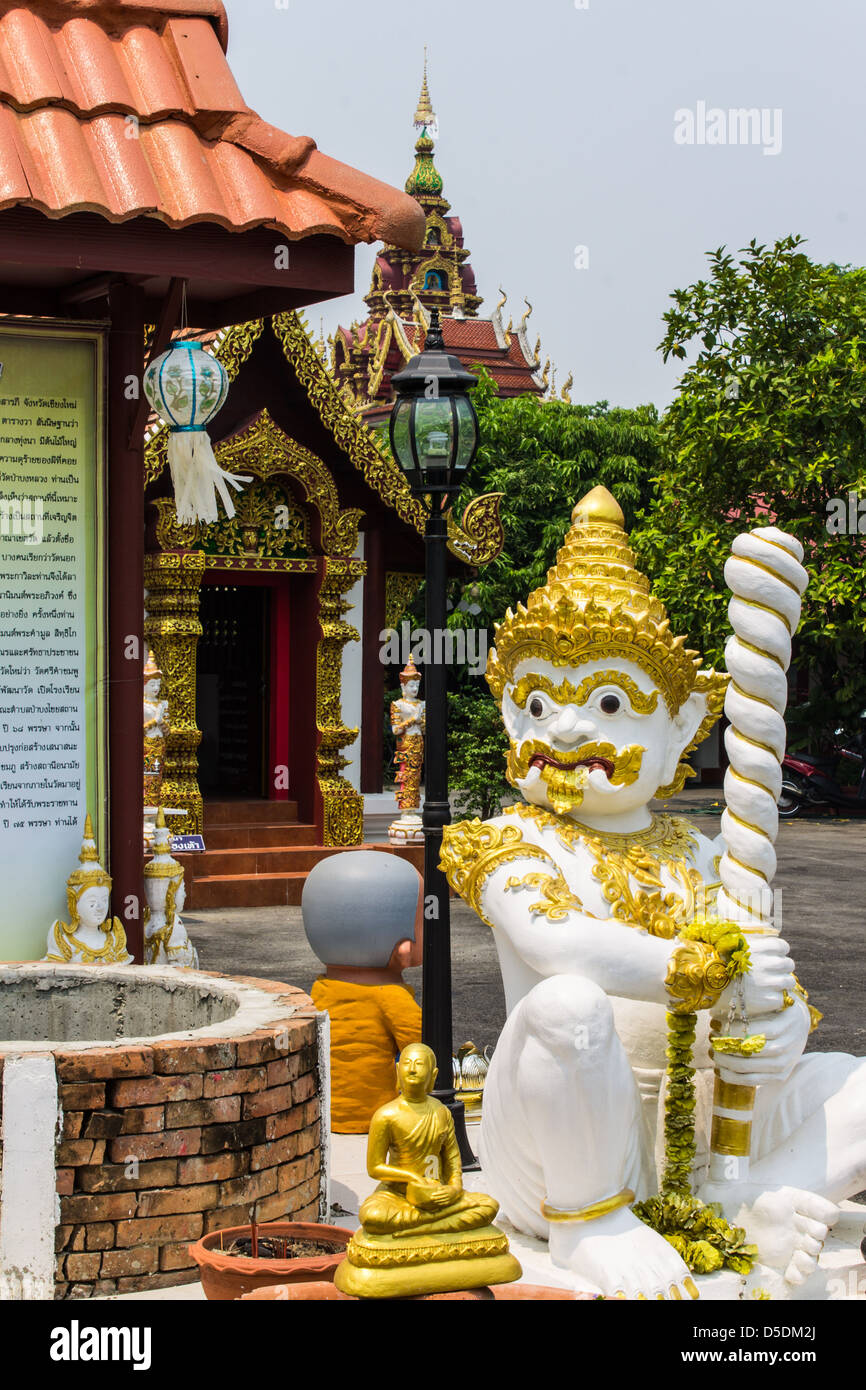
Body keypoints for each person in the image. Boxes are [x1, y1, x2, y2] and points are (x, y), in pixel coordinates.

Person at [302, 850, 423, 1133]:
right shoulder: (391, 997)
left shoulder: (321, 989)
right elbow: (421, 1048)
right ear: (403, 948)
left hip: (325, 1112)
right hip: (376, 1115)